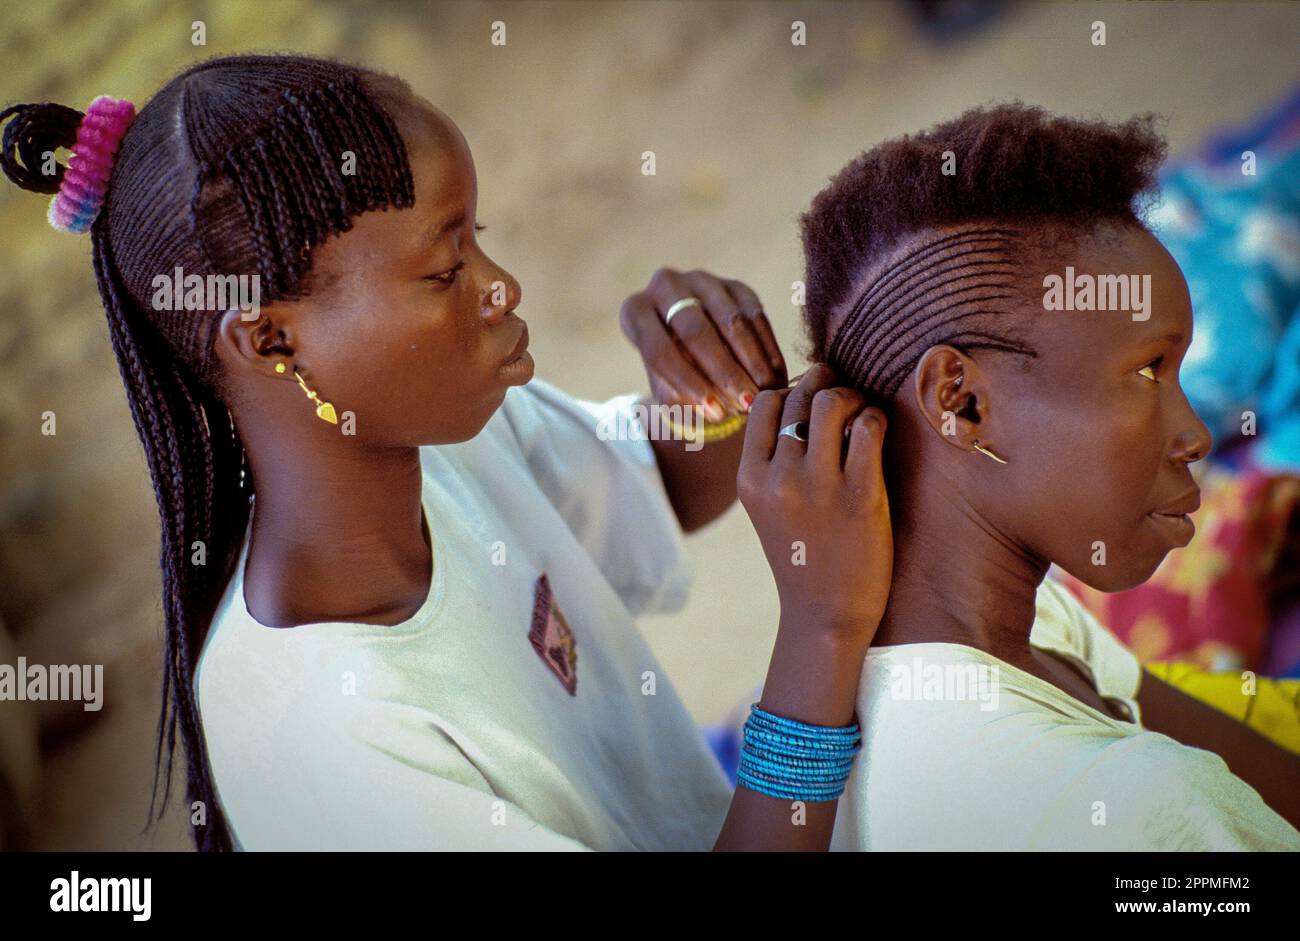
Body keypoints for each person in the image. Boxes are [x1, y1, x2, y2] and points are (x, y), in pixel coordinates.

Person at [1, 53, 892, 851]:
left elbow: (650, 488)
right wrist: (821, 628)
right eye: (444, 270)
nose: (502, 288)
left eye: (481, 242)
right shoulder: (325, 740)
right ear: (272, 340)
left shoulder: (440, 439)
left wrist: (705, 398)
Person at [794, 104, 1300, 851]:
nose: (1195, 435)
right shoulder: (1137, 808)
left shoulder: (1007, 627)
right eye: (1148, 370)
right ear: (960, 403)